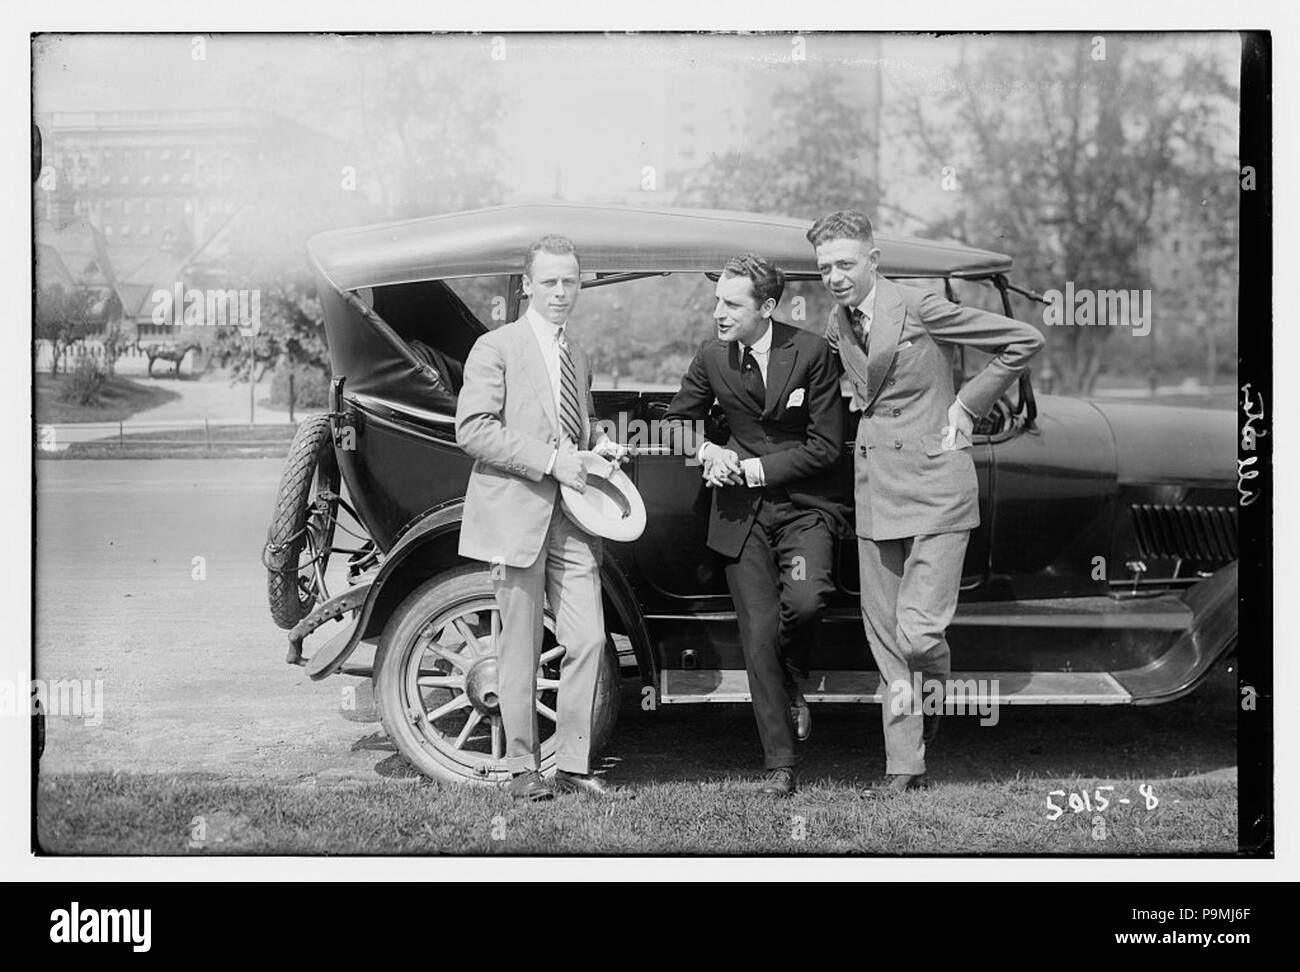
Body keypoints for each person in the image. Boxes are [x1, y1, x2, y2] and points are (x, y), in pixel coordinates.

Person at [807, 210, 1043, 796]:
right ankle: (903, 766)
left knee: (916, 634)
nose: (834, 277)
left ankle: (933, 693)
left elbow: (1024, 340)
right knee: (885, 637)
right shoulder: (836, 322)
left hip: (937, 486)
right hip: (875, 488)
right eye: (824, 268)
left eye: (844, 263)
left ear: (873, 260)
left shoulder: (918, 307)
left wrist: (967, 406)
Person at [665, 254, 849, 797]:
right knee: (758, 631)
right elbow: (677, 420)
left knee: (809, 599)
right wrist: (705, 449)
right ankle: (780, 763)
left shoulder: (812, 352)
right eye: (717, 300)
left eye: (731, 303)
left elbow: (825, 447)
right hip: (739, 519)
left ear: (766, 307)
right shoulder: (710, 356)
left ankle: (791, 676)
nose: (717, 312)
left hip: (805, 509)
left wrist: (750, 467)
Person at [456, 234, 626, 802]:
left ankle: (574, 765)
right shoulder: (494, 347)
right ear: (528, 284)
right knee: (519, 649)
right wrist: (554, 461)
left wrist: (600, 442)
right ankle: (523, 767)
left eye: (570, 282)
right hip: (515, 517)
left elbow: (582, 424)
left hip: (575, 521)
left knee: (591, 641)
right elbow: (473, 429)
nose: (560, 292)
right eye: (549, 281)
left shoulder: (578, 354)